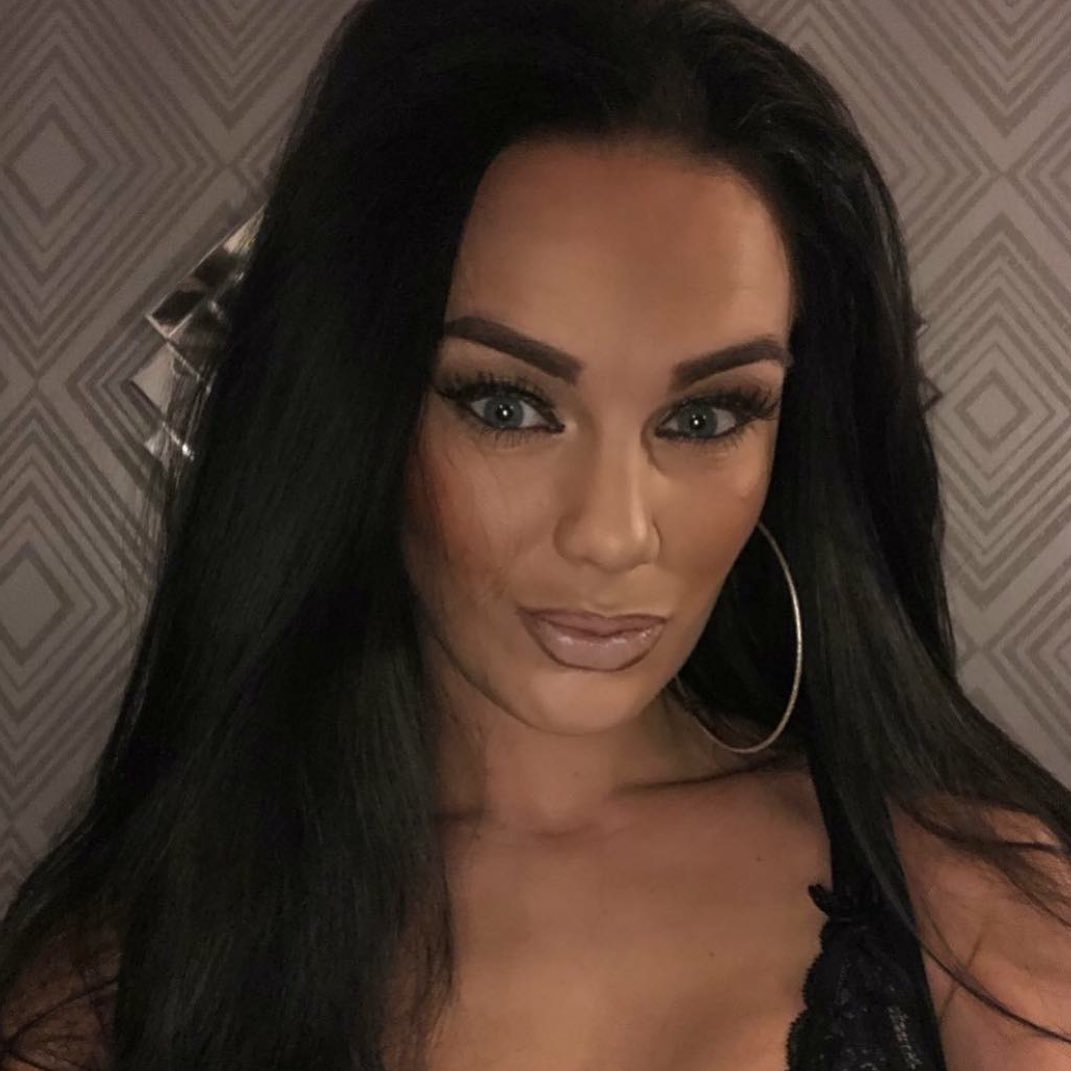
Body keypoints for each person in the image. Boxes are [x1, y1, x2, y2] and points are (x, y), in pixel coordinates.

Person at [2, 0, 1070, 1068]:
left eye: (707, 417)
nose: (613, 535)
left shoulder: (967, 910)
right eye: (506, 405)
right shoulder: (126, 977)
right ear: (360, 414)